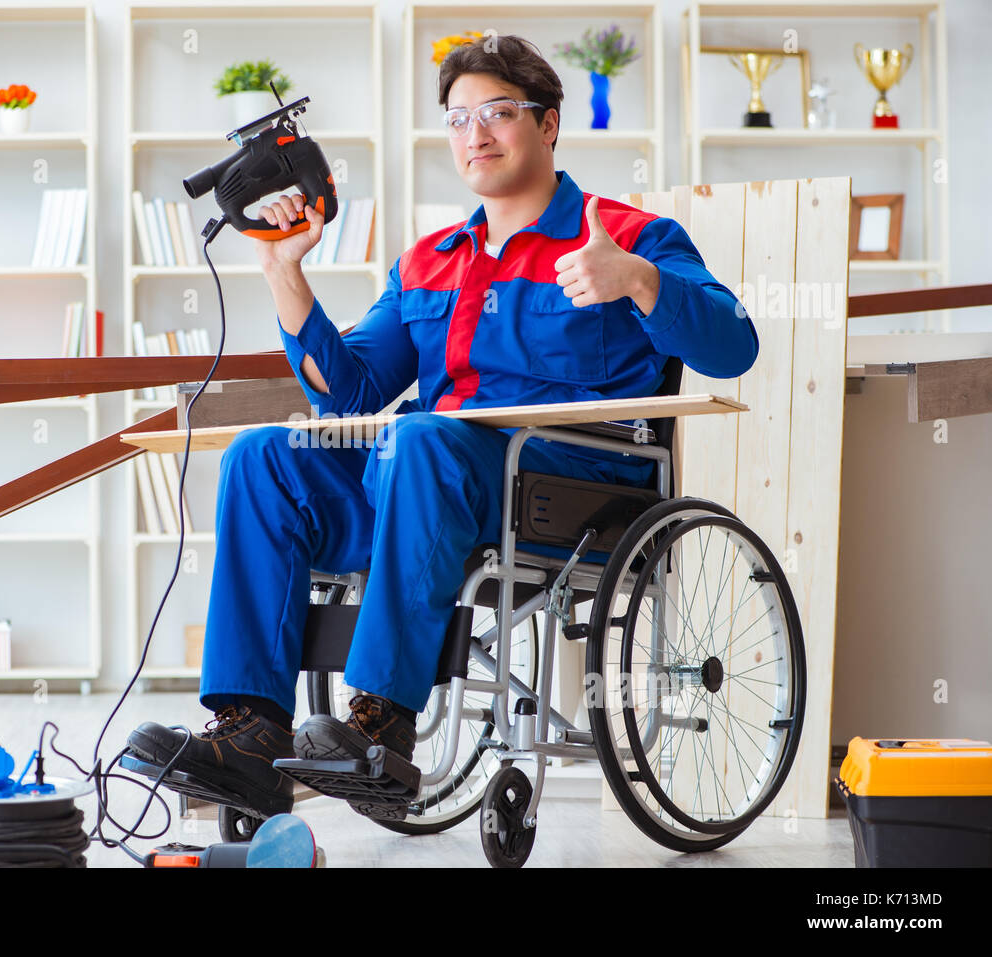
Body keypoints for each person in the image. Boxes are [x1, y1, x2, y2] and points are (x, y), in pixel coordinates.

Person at [125, 35, 759, 820]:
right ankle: (252, 732)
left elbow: (735, 345)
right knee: (264, 454)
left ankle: (383, 721)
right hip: (427, 486)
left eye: (497, 113)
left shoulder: (626, 233)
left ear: (549, 124)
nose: (476, 135)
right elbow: (351, 393)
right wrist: (285, 272)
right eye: (458, 120)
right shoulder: (430, 262)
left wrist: (637, 279)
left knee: (420, 440)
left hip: (566, 487)